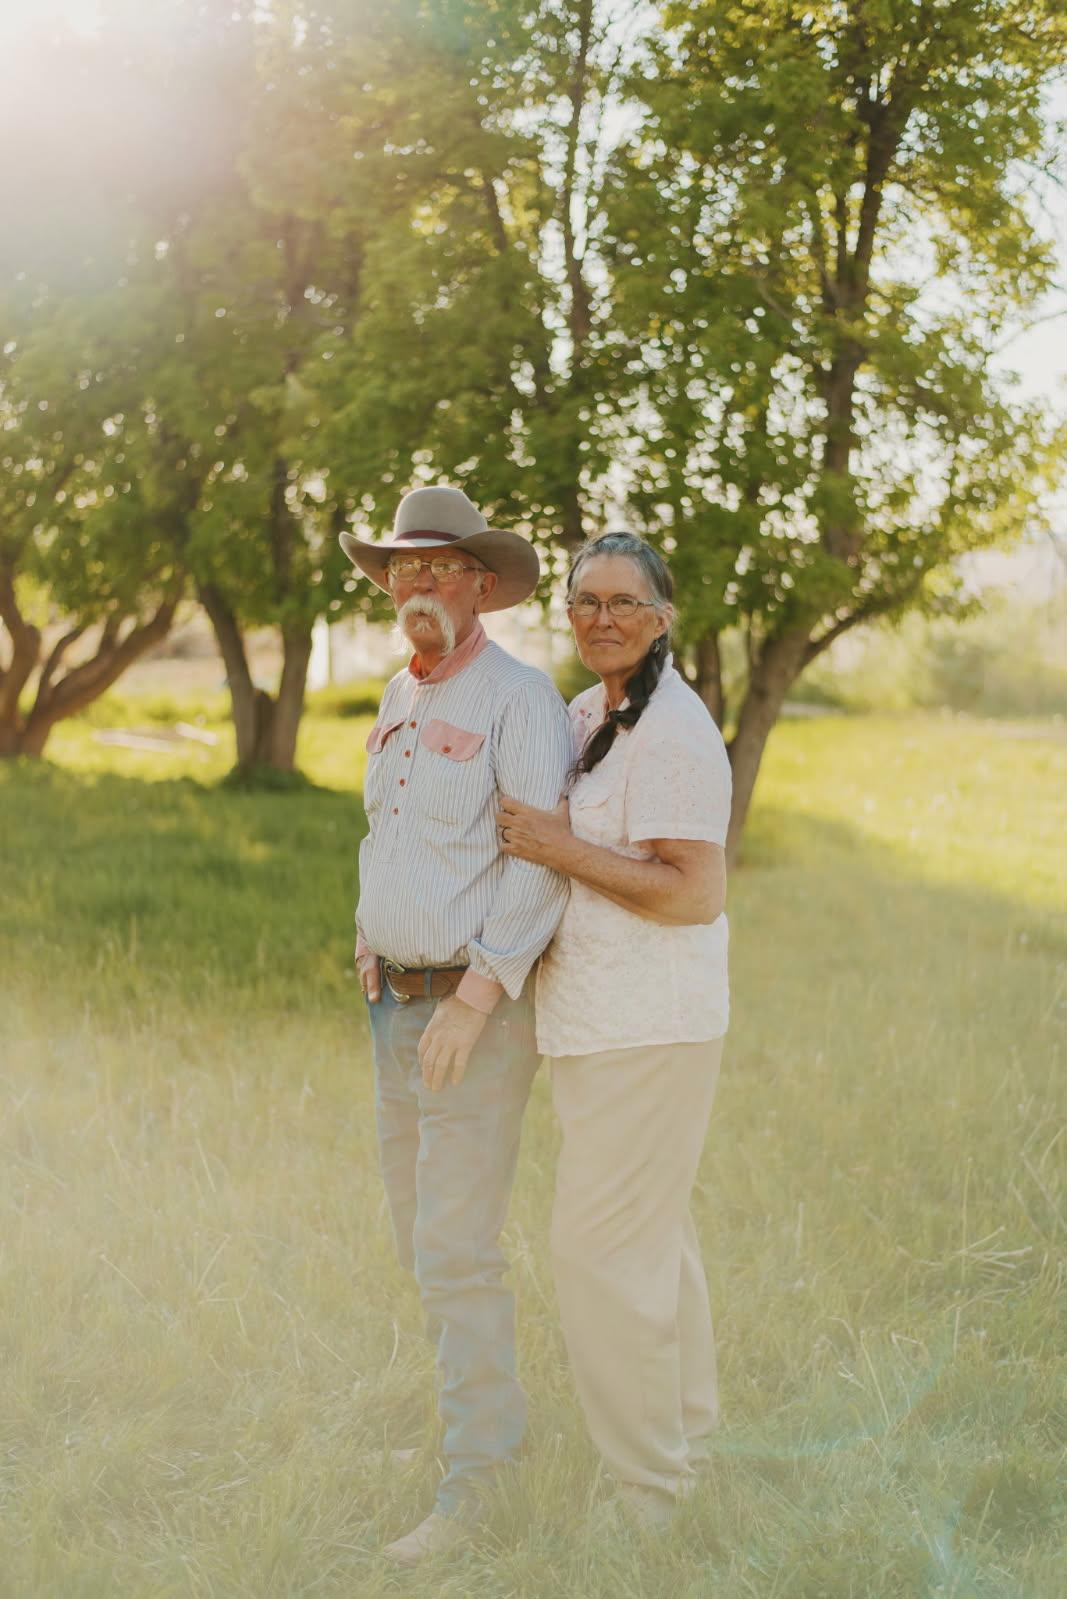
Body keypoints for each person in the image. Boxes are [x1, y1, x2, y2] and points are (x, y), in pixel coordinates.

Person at [341, 485, 573, 1566]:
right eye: (401, 567)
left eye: (437, 566)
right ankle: (469, 1426)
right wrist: (368, 936)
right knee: (415, 1236)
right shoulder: (399, 690)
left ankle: (478, 1483)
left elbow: (540, 863)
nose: (416, 583)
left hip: (466, 1017)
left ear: (480, 581)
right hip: (393, 1003)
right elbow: (387, 834)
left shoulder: (518, 699)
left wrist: (476, 998)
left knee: (454, 1248)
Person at [496, 531, 731, 1530]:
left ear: (661, 617)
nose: (601, 618)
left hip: (649, 1024)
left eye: (623, 602)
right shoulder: (589, 713)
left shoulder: (671, 728)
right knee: (651, 1241)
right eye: (584, 600)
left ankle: (648, 1492)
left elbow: (692, 894)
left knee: (598, 1252)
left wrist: (559, 847)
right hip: (595, 1023)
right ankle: (687, 1439)